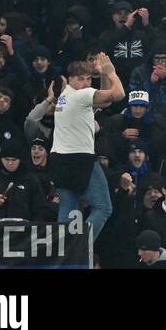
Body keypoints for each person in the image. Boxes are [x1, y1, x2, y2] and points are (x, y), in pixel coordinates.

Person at [50, 54, 124, 245]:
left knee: (70, 209)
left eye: (88, 78)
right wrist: (110, 72)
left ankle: (63, 252)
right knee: (103, 208)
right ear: (71, 78)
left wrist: (102, 78)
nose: (85, 83)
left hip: (58, 159)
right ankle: (79, 248)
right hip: (79, 159)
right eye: (80, 78)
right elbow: (118, 95)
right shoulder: (80, 95)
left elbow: (105, 101)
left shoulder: (64, 96)